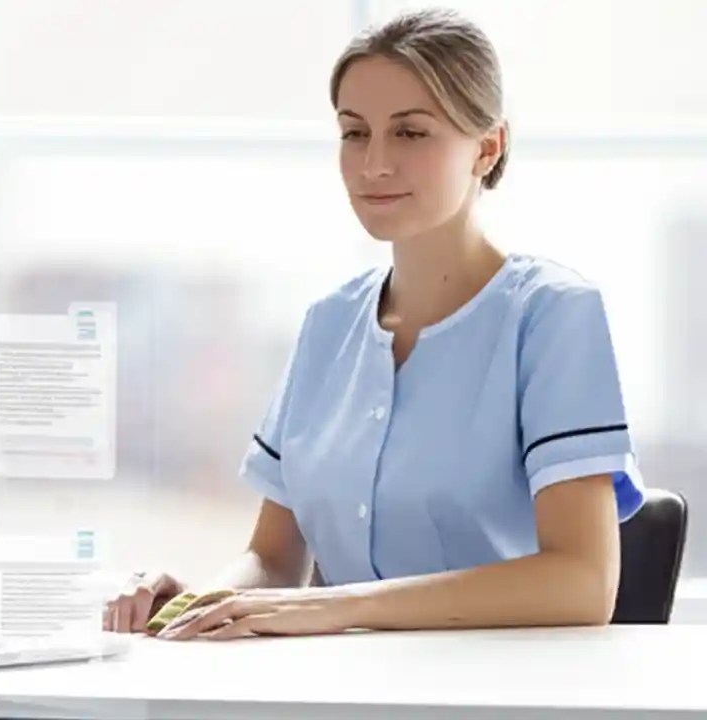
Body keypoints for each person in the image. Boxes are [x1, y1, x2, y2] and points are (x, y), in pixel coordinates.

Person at [104, 7, 646, 641]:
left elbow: (583, 582)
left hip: (505, 696)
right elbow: (276, 561)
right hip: (342, 690)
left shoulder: (553, 315)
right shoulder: (328, 324)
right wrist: (204, 600)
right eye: (354, 133)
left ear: (488, 146)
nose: (374, 165)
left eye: (411, 133)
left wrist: (342, 606)